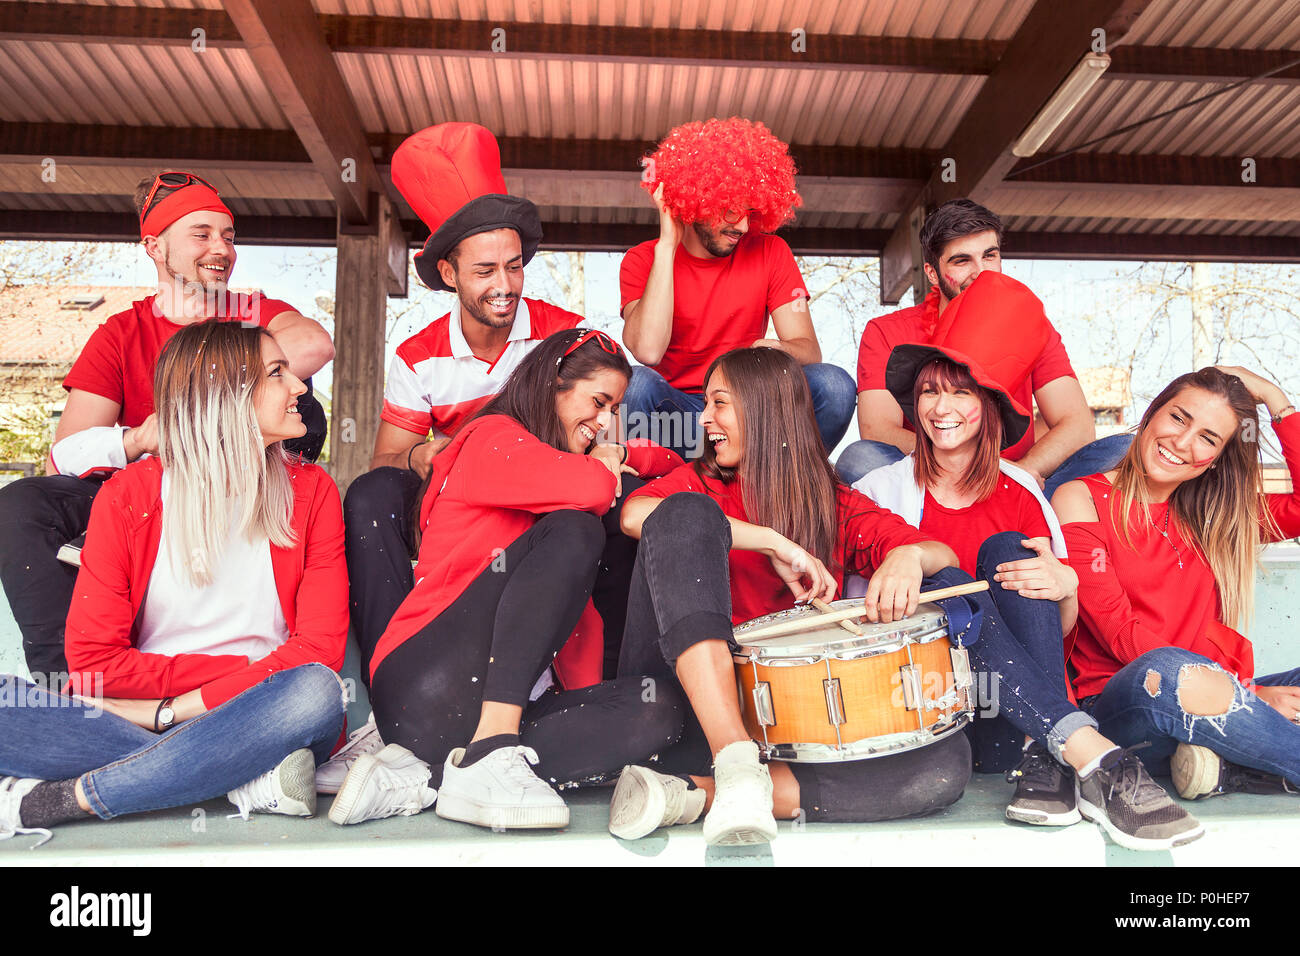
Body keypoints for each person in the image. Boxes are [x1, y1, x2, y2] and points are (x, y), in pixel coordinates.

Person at [850, 273, 1199, 849]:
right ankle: (1083, 753)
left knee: (1008, 551)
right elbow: (872, 627)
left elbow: (1057, 630)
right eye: (931, 391)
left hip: (1014, 725)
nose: (943, 407)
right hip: (940, 715)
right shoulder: (878, 491)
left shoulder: (1019, 490)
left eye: (961, 392)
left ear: (987, 408)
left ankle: (1052, 754)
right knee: (951, 579)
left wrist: (1067, 587)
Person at [0, 321, 349, 846]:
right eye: (277, 374)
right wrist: (238, 677)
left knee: (316, 693)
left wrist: (167, 712)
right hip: (186, 718)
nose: (299, 387)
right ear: (221, 396)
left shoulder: (313, 493)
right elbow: (95, 664)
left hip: (259, 710)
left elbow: (317, 655)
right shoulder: (129, 494)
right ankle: (240, 777)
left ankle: (68, 798)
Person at [612, 346, 968, 846]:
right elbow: (635, 515)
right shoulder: (698, 483)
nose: (705, 419)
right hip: (682, 707)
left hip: (785, 729)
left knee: (945, 765)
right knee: (686, 514)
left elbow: (941, 552)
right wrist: (771, 540)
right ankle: (731, 761)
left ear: (765, 411)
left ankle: (695, 795)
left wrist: (908, 557)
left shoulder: (831, 500)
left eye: (719, 404)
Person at [0, 171, 333, 682]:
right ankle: (68, 687)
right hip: (147, 495)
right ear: (154, 246)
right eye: (201, 234)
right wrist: (143, 437)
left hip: (244, 482)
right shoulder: (121, 331)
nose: (220, 247)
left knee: (306, 412)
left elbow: (314, 346)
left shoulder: (246, 315)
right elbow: (67, 453)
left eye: (228, 236)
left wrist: (202, 414)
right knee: (21, 503)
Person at [350, 328, 686, 830]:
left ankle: (429, 777)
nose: (604, 421)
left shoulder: (570, 457)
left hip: (500, 706)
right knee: (575, 529)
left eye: (614, 409)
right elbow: (593, 488)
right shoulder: (492, 436)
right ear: (554, 382)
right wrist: (604, 463)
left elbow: (671, 464)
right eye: (598, 402)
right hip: (424, 679)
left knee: (659, 709)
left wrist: (622, 454)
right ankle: (489, 753)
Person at [343, 123, 583, 694]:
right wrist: (429, 452)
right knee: (370, 495)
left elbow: (596, 439)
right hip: (454, 512)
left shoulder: (566, 336)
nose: (505, 285)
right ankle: (391, 686)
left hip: (539, 507)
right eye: (484, 270)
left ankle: (558, 683)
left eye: (514, 265)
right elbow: (386, 460)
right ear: (448, 273)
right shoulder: (416, 356)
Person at [1055, 365, 1300, 802]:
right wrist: (1250, 697)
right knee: (1168, 669)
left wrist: (1274, 398)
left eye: (1208, 437)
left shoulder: (1216, 515)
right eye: (1179, 418)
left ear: (1221, 455)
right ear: (1153, 413)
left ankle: (1224, 760)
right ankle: (1253, 752)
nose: (1182, 443)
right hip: (1124, 707)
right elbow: (1119, 632)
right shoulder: (1081, 497)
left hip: (1222, 693)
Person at [837, 199, 1128, 494]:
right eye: (962, 261)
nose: (980, 272)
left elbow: (1077, 423)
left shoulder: (1034, 323)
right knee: (861, 458)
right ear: (932, 273)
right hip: (931, 479)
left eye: (989, 256)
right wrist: (983, 465)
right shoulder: (887, 331)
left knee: (1123, 448)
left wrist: (1025, 472)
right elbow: (879, 431)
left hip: (1019, 480)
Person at [620, 117, 856, 460]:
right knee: (636, 384)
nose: (743, 225)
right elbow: (648, 351)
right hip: (681, 422)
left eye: (750, 211)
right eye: (730, 211)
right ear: (693, 203)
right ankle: (660, 485)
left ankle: (782, 479)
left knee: (834, 385)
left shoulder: (770, 251)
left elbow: (808, 350)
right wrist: (668, 245)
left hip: (752, 415)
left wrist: (777, 349)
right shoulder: (642, 260)